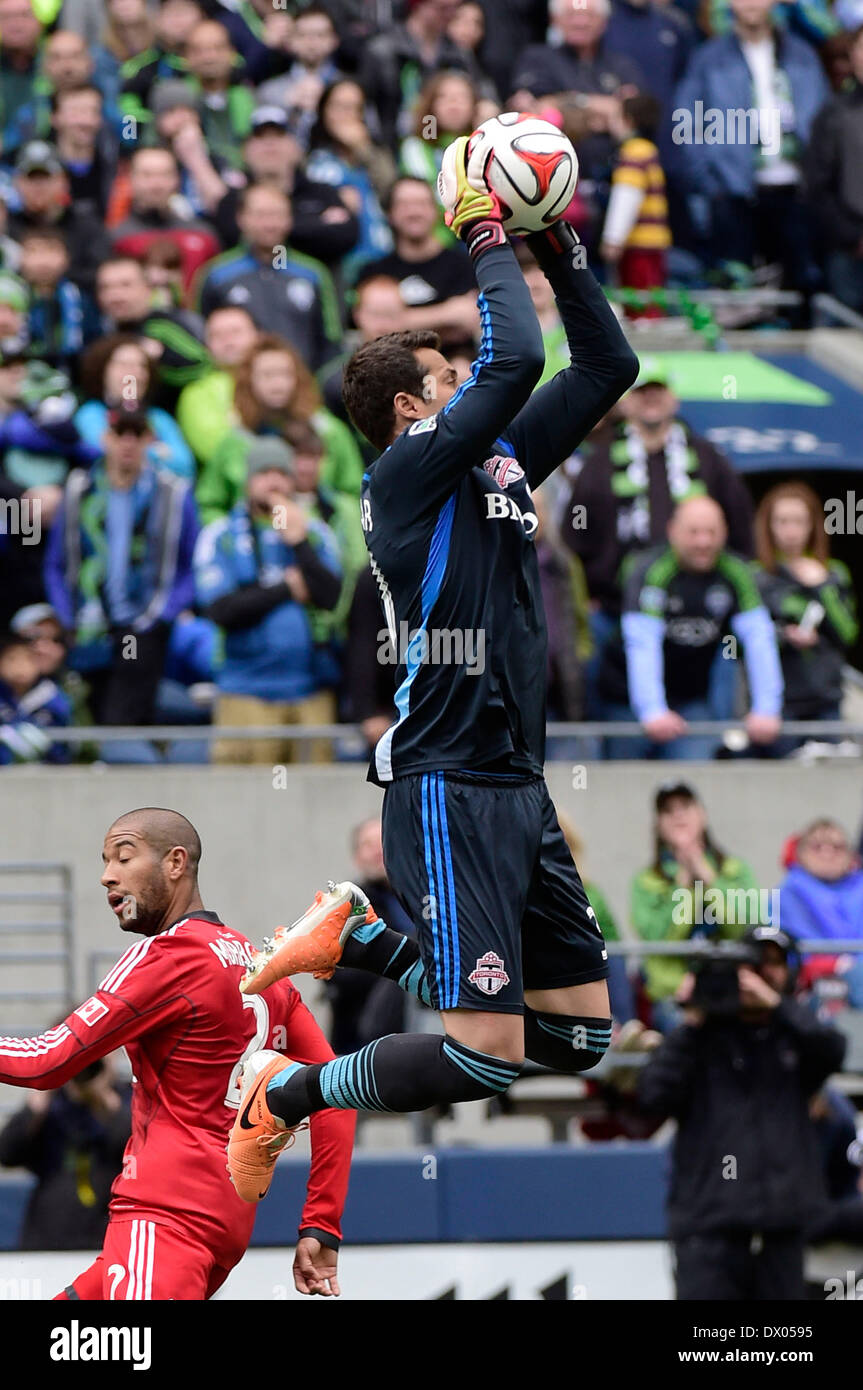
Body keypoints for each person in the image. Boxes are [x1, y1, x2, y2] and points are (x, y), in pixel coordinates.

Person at [221, 131, 638, 1198]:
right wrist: (483, 231)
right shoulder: (407, 473)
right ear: (411, 409)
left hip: (515, 785)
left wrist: (558, 242)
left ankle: (363, 938)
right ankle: (280, 1093)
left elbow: (606, 365)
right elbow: (514, 361)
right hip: (445, 779)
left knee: (583, 1043)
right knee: (484, 1053)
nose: (471, 389)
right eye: (445, 379)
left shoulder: (489, 460)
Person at [0, 807, 354, 1298]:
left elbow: (49, 1059)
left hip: (162, 1216)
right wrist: (322, 1224)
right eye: (104, 861)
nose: (107, 875)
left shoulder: (164, 957)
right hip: (221, 1225)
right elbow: (336, 1089)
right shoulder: (260, 966)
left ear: (176, 863)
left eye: (124, 857)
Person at [638, 924, 846, 1300]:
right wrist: (693, 1019)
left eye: (775, 964)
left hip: (781, 1229)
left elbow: (833, 1050)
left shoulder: (795, 1037)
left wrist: (778, 1006)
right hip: (709, 1229)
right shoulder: (700, 1039)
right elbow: (653, 1095)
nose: (764, 973)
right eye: (754, 964)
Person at [44, 408, 199, 740]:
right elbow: (58, 561)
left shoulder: (172, 493)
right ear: (105, 439)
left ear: (149, 440)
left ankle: (126, 778)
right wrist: (66, 615)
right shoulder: (80, 489)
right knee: (92, 713)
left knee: (123, 717)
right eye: (119, 434)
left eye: (137, 434)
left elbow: (190, 562)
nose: (127, 443)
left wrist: (164, 612)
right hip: (90, 623)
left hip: (143, 621)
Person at [194, 435, 343, 766]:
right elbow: (222, 610)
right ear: (248, 481)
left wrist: (299, 542)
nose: (274, 480)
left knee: (314, 801)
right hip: (245, 692)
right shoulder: (221, 536)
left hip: (311, 691)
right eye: (264, 472)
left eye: (282, 472)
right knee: (244, 802)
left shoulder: (315, 531)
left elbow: (331, 597)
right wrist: (286, 589)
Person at [598, 495, 782, 759]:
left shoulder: (737, 572)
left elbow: (760, 639)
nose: (703, 542)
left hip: (691, 699)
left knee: (696, 773)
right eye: (694, 532)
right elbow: (642, 644)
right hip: (626, 699)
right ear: (673, 531)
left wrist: (767, 709)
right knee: (625, 786)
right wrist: (652, 710)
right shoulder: (650, 570)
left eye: (712, 532)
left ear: (725, 533)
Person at [673, 0, 827, 298]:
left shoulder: (802, 54)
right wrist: (711, 183)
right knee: (737, 295)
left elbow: (822, 121)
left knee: (799, 296)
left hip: (796, 189)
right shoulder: (709, 58)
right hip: (733, 192)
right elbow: (687, 123)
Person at [631, 781, 766, 1029]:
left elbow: (747, 929)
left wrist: (708, 879)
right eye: (668, 811)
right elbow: (657, 940)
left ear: (702, 815)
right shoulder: (646, 881)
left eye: (685, 806)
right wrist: (684, 887)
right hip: (675, 995)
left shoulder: (735, 870)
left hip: (734, 988)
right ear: (658, 826)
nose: (678, 815)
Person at [195, 334, 363, 523]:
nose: (278, 384)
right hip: (252, 542)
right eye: (267, 375)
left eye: (285, 374)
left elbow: (354, 493)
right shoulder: (235, 441)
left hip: (319, 539)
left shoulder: (327, 432)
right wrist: (231, 540)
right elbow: (210, 504)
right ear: (248, 381)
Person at [194, 183, 342, 371]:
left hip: (302, 387)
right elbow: (200, 336)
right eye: (260, 215)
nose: (269, 224)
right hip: (235, 388)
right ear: (241, 218)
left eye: (277, 215)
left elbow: (331, 339)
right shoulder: (217, 273)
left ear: (290, 218)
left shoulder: (312, 273)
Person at [754, 481, 858, 737]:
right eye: (782, 521)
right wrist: (783, 636)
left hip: (826, 697)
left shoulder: (833, 573)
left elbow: (848, 634)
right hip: (777, 702)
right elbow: (736, 641)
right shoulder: (756, 576)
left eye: (799, 521)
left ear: (813, 525)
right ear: (768, 526)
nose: (791, 531)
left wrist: (821, 586)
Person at [0, 1054, 131, 1250]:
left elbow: (138, 1152)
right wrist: (38, 1102)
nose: (82, 1072)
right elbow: (7, 1154)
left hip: (106, 1235)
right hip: (47, 1236)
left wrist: (105, 1099)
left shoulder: (125, 1097)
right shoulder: (51, 1102)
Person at [325, 817, 418, 1056]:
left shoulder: (422, 899)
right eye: (368, 844)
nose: (378, 850)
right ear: (357, 857)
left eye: (382, 842)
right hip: (361, 1038)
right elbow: (335, 972)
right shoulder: (346, 906)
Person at [356, 176, 478, 344]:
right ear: (389, 213)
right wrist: (447, 313)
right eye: (404, 205)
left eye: (422, 204)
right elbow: (372, 330)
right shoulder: (372, 272)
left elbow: (470, 320)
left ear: (436, 211)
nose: (414, 212)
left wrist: (398, 321)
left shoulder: (464, 265)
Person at [305, 79, 397, 281]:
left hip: (381, 256)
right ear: (324, 111)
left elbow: (392, 193)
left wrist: (362, 149)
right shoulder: (309, 159)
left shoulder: (376, 154)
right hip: (335, 263)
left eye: (355, 108)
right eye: (340, 107)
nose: (347, 116)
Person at [358, 0, 477, 149]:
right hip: (390, 143)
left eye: (454, 8)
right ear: (419, 6)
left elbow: (481, 90)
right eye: (442, 8)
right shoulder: (383, 50)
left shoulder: (458, 53)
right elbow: (366, 105)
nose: (450, 15)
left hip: (439, 144)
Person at [75, 332, 195, 481]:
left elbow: (185, 466)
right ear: (103, 371)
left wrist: (129, 450)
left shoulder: (158, 418)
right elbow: (99, 450)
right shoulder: (91, 413)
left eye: (142, 366)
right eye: (124, 365)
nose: (134, 373)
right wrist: (158, 449)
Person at [96, 255, 210, 406]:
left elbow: (202, 367)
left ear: (147, 289)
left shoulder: (163, 325)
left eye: (125, 285)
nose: (115, 295)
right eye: (106, 287)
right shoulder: (100, 331)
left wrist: (160, 358)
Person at [109, 144, 220, 295]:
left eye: (164, 175)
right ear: (130, 179)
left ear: (177, 180)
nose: (156, 184)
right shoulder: (116, 239)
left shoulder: (204, 236)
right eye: (147, 175)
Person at [806, 26, 863, 313]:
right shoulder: (834, 113)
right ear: (852, 55)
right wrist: (852, 237)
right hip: (848, 252)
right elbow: (817, 185)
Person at [8, 139, 111, 298]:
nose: (38, 187)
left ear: (63, 182)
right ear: (17, 183)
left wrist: (57, 272)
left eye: (46, 178)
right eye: (31, 178)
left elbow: (102, 272)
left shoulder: (86, 225)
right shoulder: (7, 226)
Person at [779, 818, 863, 1008]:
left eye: (837, 847)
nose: (827, 853)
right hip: (809, 992)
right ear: (800, 854)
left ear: (851, 855)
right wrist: (841, 965)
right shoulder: (790, 891)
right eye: (817, 846)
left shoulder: (860, 888)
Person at [600, 93, 671, 302]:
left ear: (628, 121)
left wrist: (613, 239)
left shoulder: (633, 153)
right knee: (652, 298)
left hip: (638, 245)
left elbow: (626, 197)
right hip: (655, 242)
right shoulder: (649, 151)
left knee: (638, 303)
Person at [175, 303, 258, 466]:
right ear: (206, 346)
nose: (228, 341)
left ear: (257, 336)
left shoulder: (280, 374)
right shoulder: (196, 393)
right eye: (217, 335)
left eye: (236, 332)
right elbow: (212, 449)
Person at [255, 4, 343, 149]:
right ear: (290, 42)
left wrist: (328, 107)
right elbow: (259, 140)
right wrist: (287, 106)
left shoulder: (348, 88)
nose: (312, 43)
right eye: (303, 35)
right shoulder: (270, 91)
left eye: (320, 35)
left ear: (334, 40)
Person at [0, 628, 70, 765]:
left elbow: (62, 745)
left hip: (45, 771)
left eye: (28, 659)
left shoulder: (51, 695)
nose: (20, 666)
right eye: (12, 659)